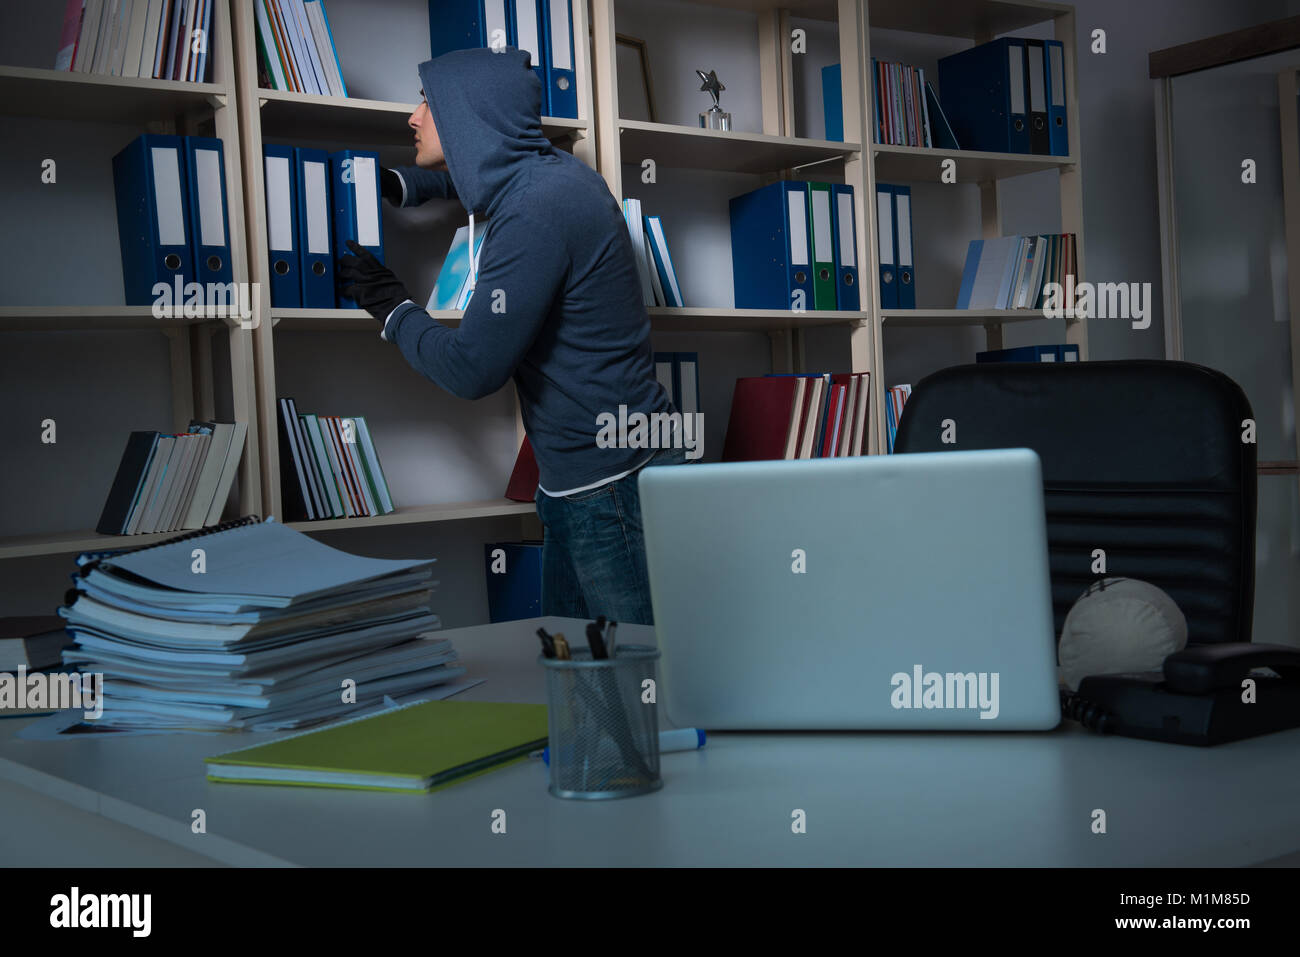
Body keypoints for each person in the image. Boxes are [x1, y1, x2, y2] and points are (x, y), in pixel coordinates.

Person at [336, 47, 689, 626]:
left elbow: (472, 369)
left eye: (427, 102)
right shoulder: (559, 177)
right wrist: (408, 186)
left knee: (638, 685)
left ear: (470, 115)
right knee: (578, 680)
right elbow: (492, 175)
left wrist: (393, 307)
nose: (413, 117)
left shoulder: (534, 211)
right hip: (591, 479)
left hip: (610, 491)